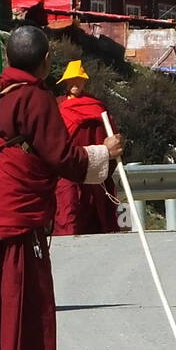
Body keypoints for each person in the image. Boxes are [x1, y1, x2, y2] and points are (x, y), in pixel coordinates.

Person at [0, 25, 124, 350]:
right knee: (21, 294)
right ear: (45, 62)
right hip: (12, 213)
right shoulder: (35, 97)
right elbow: (62, 157)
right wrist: (105, 154)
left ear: (10, 59)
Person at [53, 60, 122, 236]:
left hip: (96, 174)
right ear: (66, 82)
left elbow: (111, 137)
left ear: (84, 81)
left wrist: (110, 158)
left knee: (97, 224)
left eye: (78, 79)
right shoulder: (58, 106)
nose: (75, 83)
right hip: (67, 174)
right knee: (68, 220)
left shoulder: (96, 107)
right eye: (71, 79)